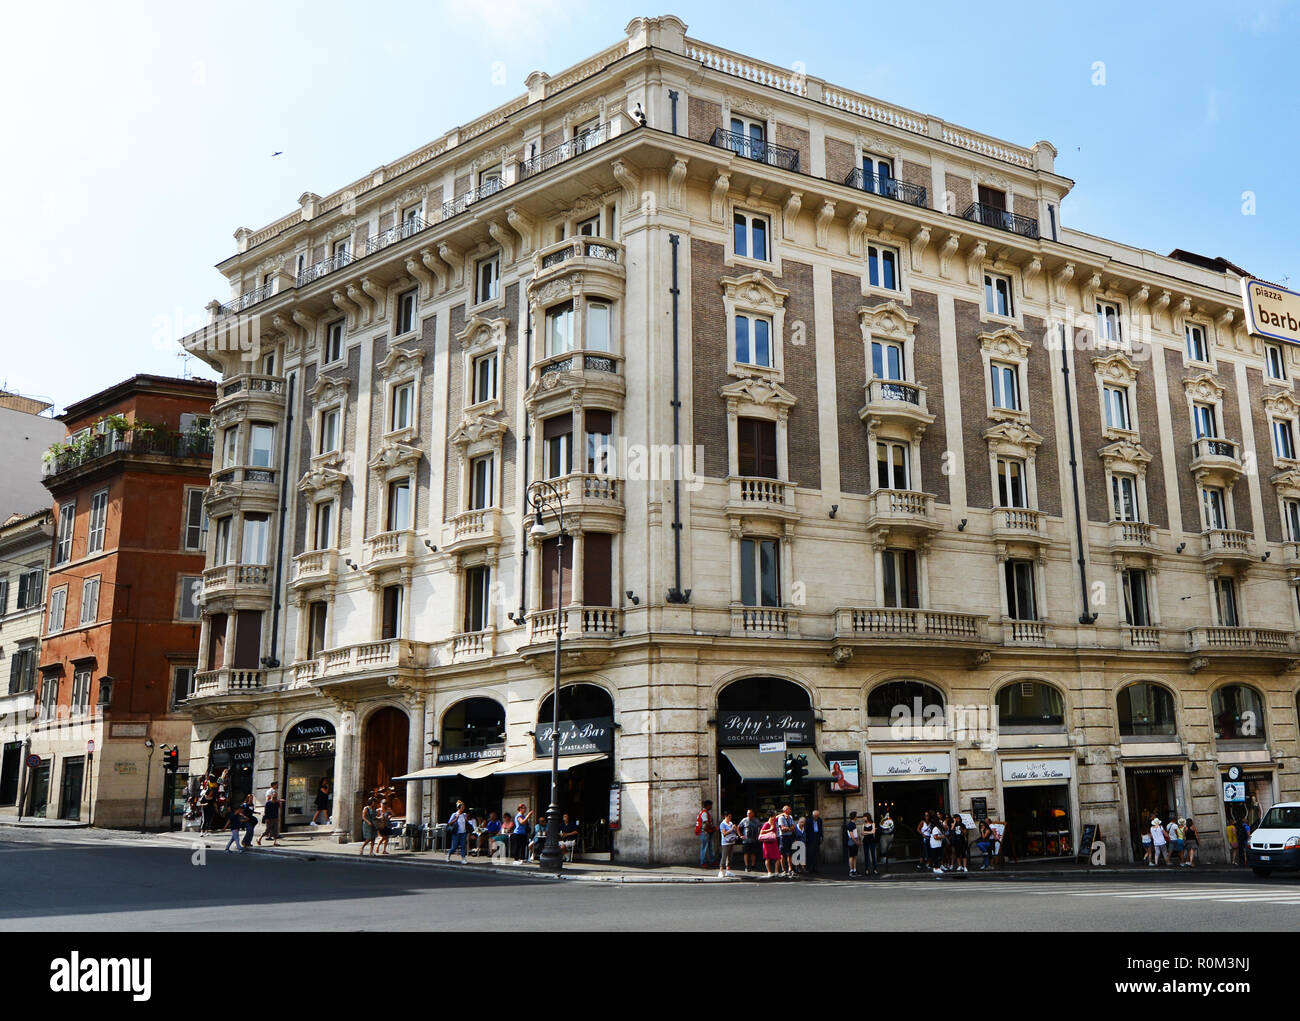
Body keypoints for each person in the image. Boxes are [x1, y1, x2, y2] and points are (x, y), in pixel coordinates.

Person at [695, 799, 717, 868]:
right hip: (705, 833)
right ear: (708, 806)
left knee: (710, 847)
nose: (711, 807)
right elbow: (706, 823)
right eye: (710, 805)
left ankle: (712, 860)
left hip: (707, 832)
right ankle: (703, 862)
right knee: (704, 848)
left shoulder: (704, 812)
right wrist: (713, 828)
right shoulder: (704, 813)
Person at [777, 804, 797, 877]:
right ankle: (783, 870)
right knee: (782, 854)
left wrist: (788, 828)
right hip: (783, 837)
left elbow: (793, 827)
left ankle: (790, 869)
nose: (790, 810)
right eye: (789, 809)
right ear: (785, 810)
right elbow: (782, 829)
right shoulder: (781, 818)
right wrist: (789, 828)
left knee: (790, 853)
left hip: (790, 836)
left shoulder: (791, 817)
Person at [718, 811, 738, 878]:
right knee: (724, 857)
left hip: (731, 841)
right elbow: (724, 833)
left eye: (730, 817)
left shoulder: (730, 823)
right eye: (729, 817)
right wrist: (732, 829)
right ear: (725, 816)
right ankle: (721, 871)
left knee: (730, 857)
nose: (730, 818)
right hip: (725, 843)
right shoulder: (722, 824)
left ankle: (728, 871)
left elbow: (733, 831)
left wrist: (735, 829)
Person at [805, 810, 824, 874]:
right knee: (810, 854)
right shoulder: (808, 820)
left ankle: (815, 868)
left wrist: (821, 837)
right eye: (815, 816)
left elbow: (821, 829)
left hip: (817, 837)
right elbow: (806, 831)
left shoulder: (819, 820)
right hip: (810, 839)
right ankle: (809, 868)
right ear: (813, 816)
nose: (816, 817)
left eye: (817, 816)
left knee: (816, 854)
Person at [844, 811, 860, 876]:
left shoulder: (853, 824)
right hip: (852, 841)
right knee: (851, 856)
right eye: (856, 816)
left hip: (853, 840)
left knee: (854, 856)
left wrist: (857, 840)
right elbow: (851, 834)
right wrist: (856, 841)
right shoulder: (851, 824)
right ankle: (851, 870)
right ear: (854, 817)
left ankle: (854, 870)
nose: (857, 817)